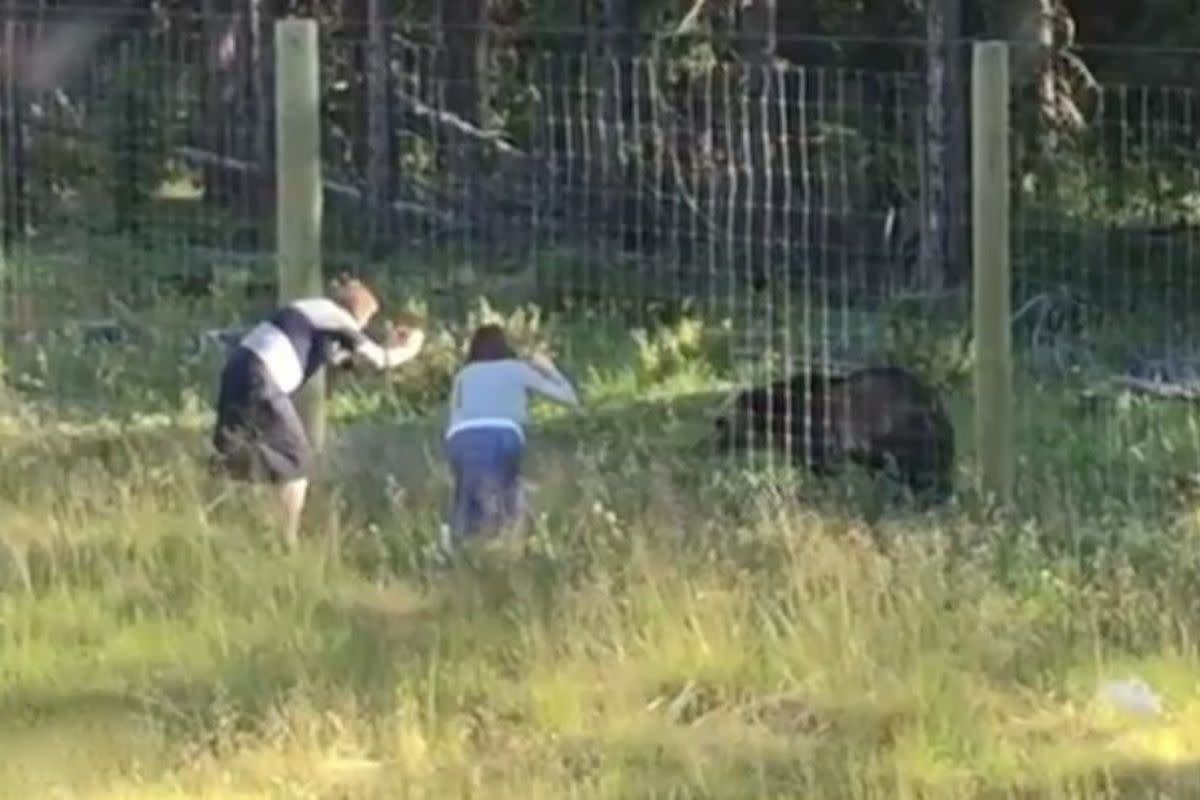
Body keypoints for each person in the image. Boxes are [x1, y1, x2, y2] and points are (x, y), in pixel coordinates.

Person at [210, 278, 425, 550]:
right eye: (367, 321)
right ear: (358, 314)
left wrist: (388, 346)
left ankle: (217, 518)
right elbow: (376, 360)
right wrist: (409, 350)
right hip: (263, 378)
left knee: (235, 452)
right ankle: (285, 545)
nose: (363, 329)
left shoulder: (313, 314)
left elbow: (349, 363)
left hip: (238, 369)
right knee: (298, 460)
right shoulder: (335, 317)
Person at [442, 323, 579, 548]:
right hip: (503, 433)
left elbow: (454, 412)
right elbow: (569, 398)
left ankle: (458, 545)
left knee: (466, 494)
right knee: (506, 488)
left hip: (460, 438)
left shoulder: (464, 375)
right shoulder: (517, 369)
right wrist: (549, 369)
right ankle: (507, 541)